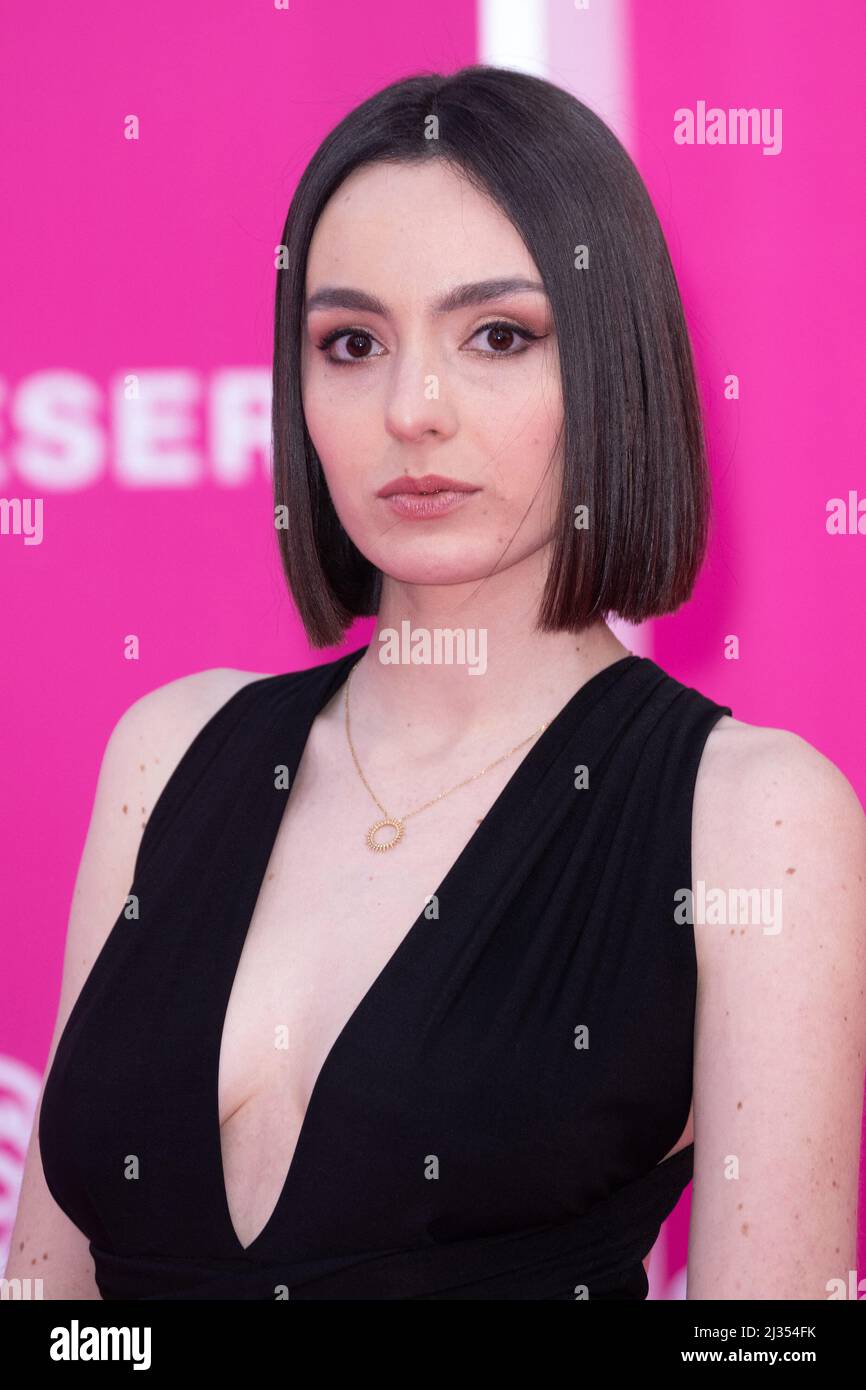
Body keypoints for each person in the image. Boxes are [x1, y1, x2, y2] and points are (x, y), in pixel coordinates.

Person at [11, 66, 865, 1301]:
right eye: (351, 343)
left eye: (498, 336)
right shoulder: (168, 753)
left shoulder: (751, 818)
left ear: (610, 367)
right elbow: (53, 1305)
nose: (413, 409)